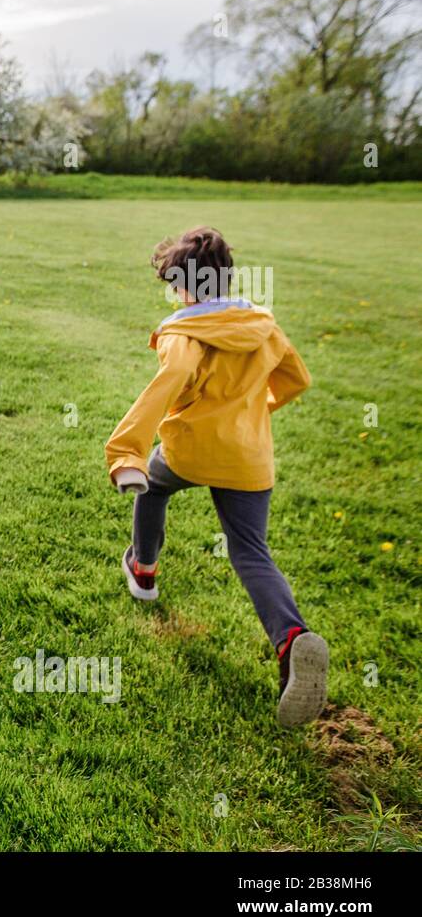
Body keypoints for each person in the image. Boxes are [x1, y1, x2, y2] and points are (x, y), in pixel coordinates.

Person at [105, 226, 326, 727]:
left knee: (155, 485)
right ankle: (291, 641)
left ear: (182, 288)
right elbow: (296, 379)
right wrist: (257, 410)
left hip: (190, 453)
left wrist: (127, 454)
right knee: (251, 551)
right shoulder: (263, 327)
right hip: (249, 459)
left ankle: (143, 569)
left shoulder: (185, 335)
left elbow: (162, 391)